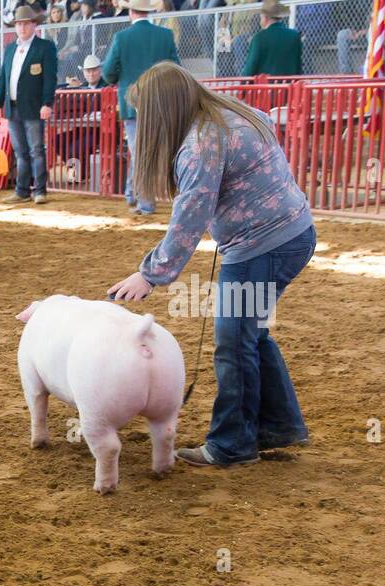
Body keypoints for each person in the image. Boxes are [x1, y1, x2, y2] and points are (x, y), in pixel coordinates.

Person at [107, 63, 314, 469]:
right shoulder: (233, 112)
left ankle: (232, 444)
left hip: (262, 245)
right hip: (291, 233)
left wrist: (150, 274)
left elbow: (191, 216)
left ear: (162, 109)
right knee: (250, 334)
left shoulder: (200, 142)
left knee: (234, 341)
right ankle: (277, 426)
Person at [101, 0, 178, 216]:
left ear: (131, 12)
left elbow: (107, 73)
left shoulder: (121, 38)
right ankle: (131, 193)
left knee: (139, 151)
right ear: (148, 12)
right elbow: (176, 68)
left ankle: (144, 202)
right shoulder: (165, 35)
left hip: (132, 104)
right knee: (148, 151)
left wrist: (120, 78)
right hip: (160, 104)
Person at [0, 5, 58, 204]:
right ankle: (22, 191)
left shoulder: (45, 47)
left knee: (36, 150)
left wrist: (47, 103)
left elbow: (50, 78)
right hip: (12, 106)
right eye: (19, 24)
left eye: (25, 24)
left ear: (34, 25)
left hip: (33, 106)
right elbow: (3, 78)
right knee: (21, 152)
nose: (21, 28)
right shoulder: (10, 49)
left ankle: (40, 190)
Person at [243, 0, 303, 77]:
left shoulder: (259, 37)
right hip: (289, 86)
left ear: (265, 17)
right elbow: (298, 66)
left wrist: (243, 84)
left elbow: (251, 66)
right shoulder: (295, 35)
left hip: (266, 87)